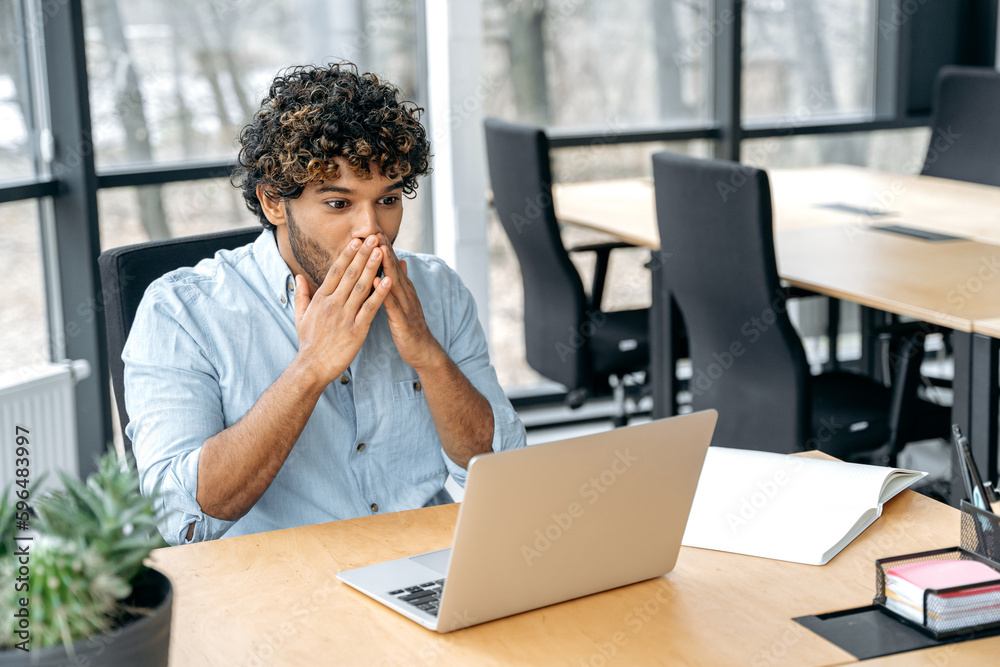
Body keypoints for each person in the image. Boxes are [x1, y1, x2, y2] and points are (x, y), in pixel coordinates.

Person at [123, 63, 526, 545]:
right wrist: (310, 367)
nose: (371, 230)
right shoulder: (181, 312)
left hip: (427, 564)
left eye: (388, 199)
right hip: (279, 588)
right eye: (339, 204)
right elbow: (181, 521)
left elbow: (503, 476)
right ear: (274, 202)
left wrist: (427, 355)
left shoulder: (437, 289)